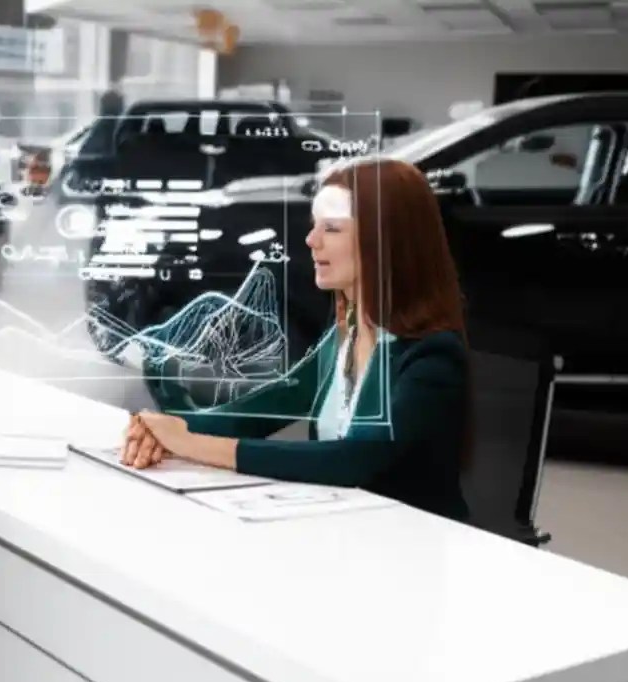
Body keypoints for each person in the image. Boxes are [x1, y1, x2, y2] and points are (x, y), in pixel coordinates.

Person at [123, 158, 472, 522]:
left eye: (332, 229)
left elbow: (354, 460)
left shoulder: (433, 356)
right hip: (345, 530)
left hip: (411, 547)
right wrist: (160, 429)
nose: (311, 240)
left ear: (385, 241)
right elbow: (260, 412)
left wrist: (193, 445)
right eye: (314, 226)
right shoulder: (346, 335)